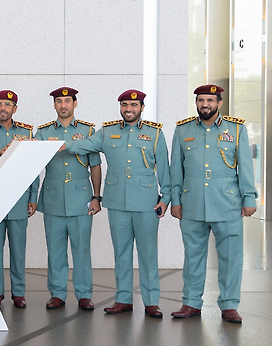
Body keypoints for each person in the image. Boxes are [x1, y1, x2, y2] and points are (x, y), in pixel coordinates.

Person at [64, 90, 170, 318]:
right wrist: (59, 144)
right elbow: (84, 145)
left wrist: (166, 198)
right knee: (121, 254)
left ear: (142, 107)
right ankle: (123, 299)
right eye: (124, 105)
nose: (128, 109)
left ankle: (151, 302)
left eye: (133, 105)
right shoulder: (107, 132)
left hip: (146, 203)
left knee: (148, 254)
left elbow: (164, 168)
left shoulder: (154, 133)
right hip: (117, 203)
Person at [170, 84, 257, 324]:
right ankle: (191, 303)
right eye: (201, 100)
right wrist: (175, 200)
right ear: (196, 103)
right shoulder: (183, 129)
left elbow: (245, 167)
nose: (205, 104)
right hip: (192, 203)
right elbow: (176, 169)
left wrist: (249, 197)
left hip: (227, 203)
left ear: (219, 103)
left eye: (210, 100)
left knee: (231, 258)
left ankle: (229, 305)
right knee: (193, 257)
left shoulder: (236, 129)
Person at [35, 87, 102, 311]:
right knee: (55, 250)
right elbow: (32, 164)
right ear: (54, 105)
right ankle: (57, 293)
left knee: (81, 249)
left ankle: (84, 294)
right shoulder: (43, 132)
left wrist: (96, 197)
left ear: (75, 103)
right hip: (53, 198)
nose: (63, 105)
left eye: (67, 101)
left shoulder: (88, 130)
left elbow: (95, 165)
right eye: (59, 101)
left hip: (81, 199)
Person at [0, 89, 38, 308]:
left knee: (18, 250)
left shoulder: (26, 132)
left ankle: (18, 293)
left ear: (14, 108)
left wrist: (33, 196)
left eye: (7, 105)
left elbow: (33, 166)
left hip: (19, 199)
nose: (3, 108)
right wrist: (0, 152)